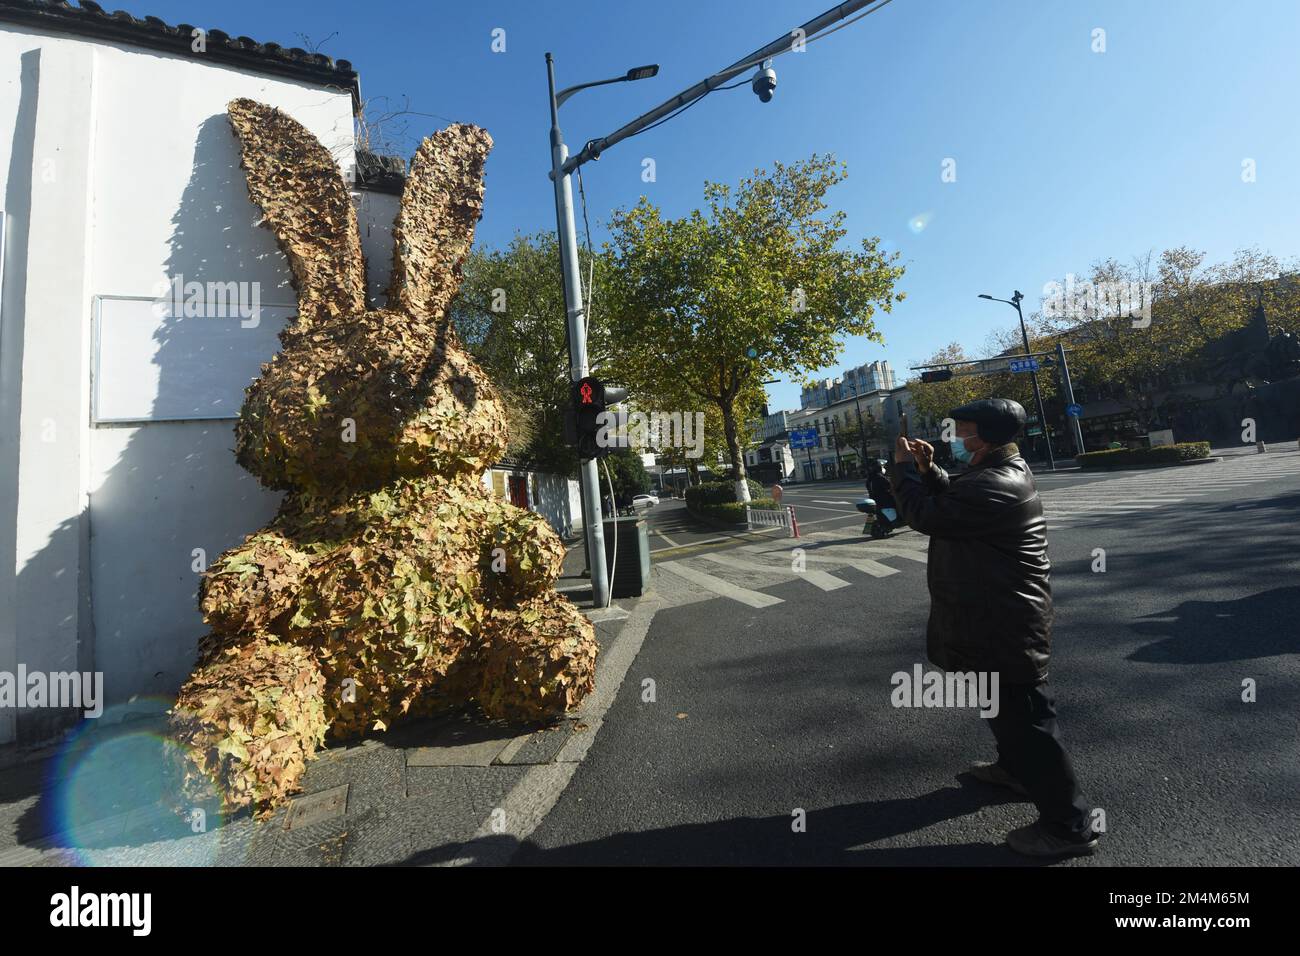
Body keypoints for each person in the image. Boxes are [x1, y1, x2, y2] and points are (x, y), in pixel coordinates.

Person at [888, 398, 1099, 858]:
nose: (953, 438)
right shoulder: (992, 474)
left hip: (1005, 623)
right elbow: (956, 500)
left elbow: (927, 516)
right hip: (989, 616)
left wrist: (902, 468)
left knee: (1031, 726)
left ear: (982, 437)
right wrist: (929, 472)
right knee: (1000, 704)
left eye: (960, 430)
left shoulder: (1000, 481)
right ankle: (1014, 771)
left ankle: (1069, 828)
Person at [864, 459, 898, 534]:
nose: (883, 468)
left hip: (875, 501)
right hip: (885, 501)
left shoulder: (869, 479)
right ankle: (899, 521)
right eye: (882, 466)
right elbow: (892, 485)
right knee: (900, 502)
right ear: (879, 467)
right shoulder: (880, 477)